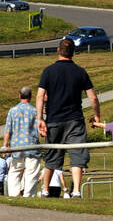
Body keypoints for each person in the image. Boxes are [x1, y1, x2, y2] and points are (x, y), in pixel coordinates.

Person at [37, 37, 100, 199]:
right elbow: (93, 98)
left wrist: (40, 119)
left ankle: (45, 190)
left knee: (52, 155)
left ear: (58, 51)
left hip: (53, 119)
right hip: (75, 119)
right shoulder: (80, 72)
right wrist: (96, 116)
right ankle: (77, 191)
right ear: (73, 53)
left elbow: (40, 95)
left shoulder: (48, 71)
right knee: (77, 155)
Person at [3, 85, 42, 198]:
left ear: (19, 96)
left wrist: (6, 145)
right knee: (31, 173)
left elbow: (7, 130)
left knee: (15, 172)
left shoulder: (12, 111)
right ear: (30, 97)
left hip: (17, 147)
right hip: (32, 147)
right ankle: (28, 195)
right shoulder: (35, 111)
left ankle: (14, 194)